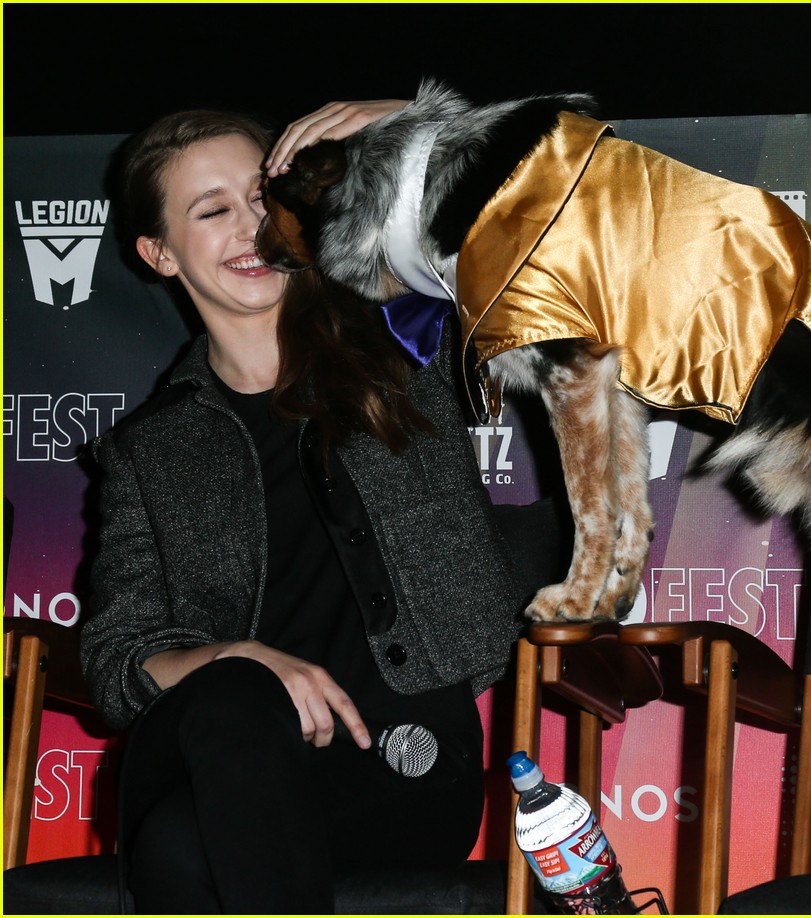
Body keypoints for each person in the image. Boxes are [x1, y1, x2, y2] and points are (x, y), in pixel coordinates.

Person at [80, 103, 534, 913]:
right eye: (213, 211)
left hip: (398, 763)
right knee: (232, 697)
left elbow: (535, 205)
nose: (252, 227)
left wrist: (414, 118)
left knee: (183, 847)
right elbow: (120, 659)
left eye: (264, 198)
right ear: (159, 253)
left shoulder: (408, 346)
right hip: (209, 748)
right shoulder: (150, 450)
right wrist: (241, 660)